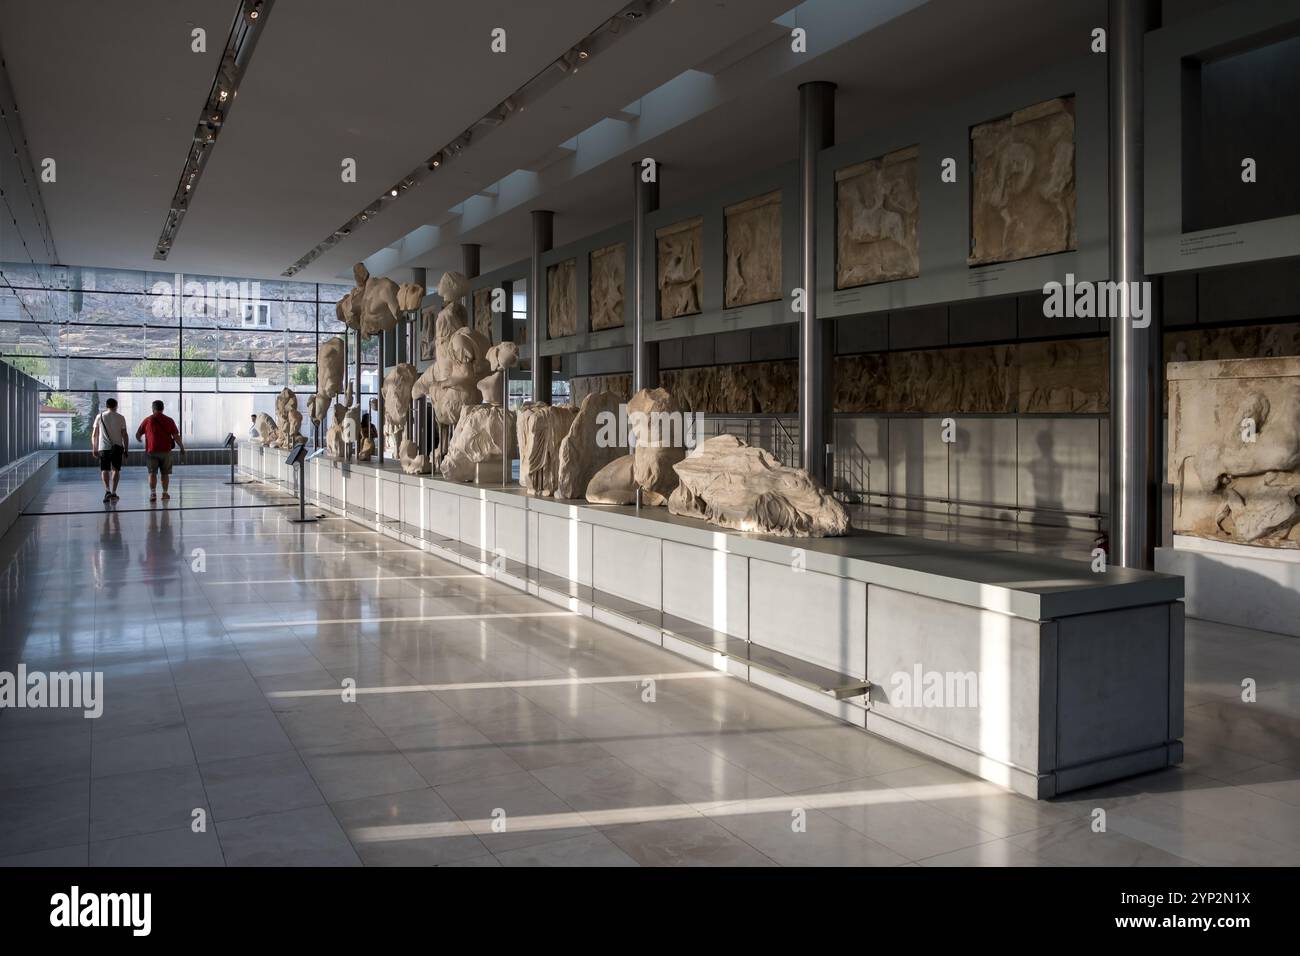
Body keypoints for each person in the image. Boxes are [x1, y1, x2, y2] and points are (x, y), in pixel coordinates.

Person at [135, 400, 186, 502]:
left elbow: (138, 434)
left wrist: (140, 439)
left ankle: (153, 494)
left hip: (151, 451)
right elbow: (176, 436)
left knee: (152, 473)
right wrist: (182, 447)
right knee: (165, 473)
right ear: (163, 409)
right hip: (166, 451)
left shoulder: (147, 420)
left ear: (153, 409)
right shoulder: (169, 420)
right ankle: (165, 493)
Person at [90, 397, 128, 503]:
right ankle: (114, 492)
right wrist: (126, 449)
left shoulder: (100, 416)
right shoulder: (121, 417)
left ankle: (107, 491)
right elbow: (124, 434)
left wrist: (94, 448)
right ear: (116, 406)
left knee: (104, 469)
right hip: (117, 447)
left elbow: (94, 435)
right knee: (116, 469)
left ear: (106, 406)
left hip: (103, 448)